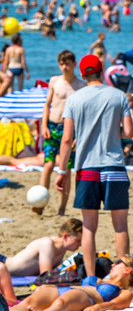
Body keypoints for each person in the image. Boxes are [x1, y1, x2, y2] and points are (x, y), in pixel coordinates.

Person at [54, 55, 133, 270]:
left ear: (82, 74)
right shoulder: (119, 96)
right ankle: (124, 274)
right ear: (102, 70)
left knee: (89, 228)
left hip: (87, 167)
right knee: (120, 226)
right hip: (114, 166)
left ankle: (91, 277)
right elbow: (129, 132)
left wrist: (62, 170)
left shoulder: (74, 99)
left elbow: (67, 140)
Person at [14, 255, 133, 311]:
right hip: (68, 290)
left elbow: (115, 304)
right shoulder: (102, 279)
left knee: (62, 302)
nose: (113, 264)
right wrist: (51, 285)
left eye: (118, 262)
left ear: (128, 270)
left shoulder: (125, 292)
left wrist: (98, 307)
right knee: (28, 302)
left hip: (85, 297)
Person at [37, 50, 84, 217]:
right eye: (62, 64)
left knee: (66, 169)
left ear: (74, 64)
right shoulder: (54, 81)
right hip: (52, 125)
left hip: (70, 129)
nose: (65, 67)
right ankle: (39, 203)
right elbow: (47, 104)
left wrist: (79, 136)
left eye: (68, 64)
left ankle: (62, 208)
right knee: (48, 165)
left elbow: (83, 113)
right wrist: (44, 125)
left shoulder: (80, 85)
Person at [0, 218, 84, 306]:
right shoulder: (47, 244)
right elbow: (45, 275)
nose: (80, 244)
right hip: (4, 263)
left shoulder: (62, 249)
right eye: (77, 240)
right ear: (65, 236)